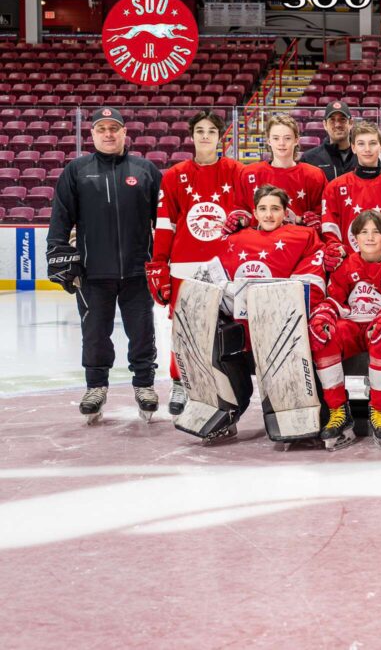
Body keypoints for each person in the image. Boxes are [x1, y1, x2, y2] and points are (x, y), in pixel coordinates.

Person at [46, 106, 162, 424]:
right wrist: (60, 258)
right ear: (92, 134)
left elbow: (163, 222)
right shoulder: (77, 171)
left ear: (125, 133)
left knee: (142, 332)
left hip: (138, 271)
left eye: (114, 128)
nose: (108, 134)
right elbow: (60, 219)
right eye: (102, 129)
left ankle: (144, 385)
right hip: (92, 273)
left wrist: (163, 262)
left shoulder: (146, 170)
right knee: (95, 333)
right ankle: (95, 386)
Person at [147, 110, 244, 418]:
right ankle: (180, 381)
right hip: (185, 266)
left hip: (225, 266)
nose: (205, 136)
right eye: (200, 130)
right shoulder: (174, 176)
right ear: (192, 136)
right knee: (183, 328)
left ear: (220, 137)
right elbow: (165, 225)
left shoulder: (237, 171)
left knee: (226, 328)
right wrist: (159, 264)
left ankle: (223, 384)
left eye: (211, 131)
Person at [214, 184, 326, 441]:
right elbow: (219, 279)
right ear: (254, 212)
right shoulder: (235, 239)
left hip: (284, 324)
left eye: (275, 209)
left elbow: (313, 282)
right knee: (216, 335)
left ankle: (296, 416)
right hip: (244, 325)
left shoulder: (303, 236)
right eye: (263, 209)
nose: (268, 215)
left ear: (285, 212)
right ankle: (227, 410)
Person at [308, 210, 381, 451]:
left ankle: (380, 410)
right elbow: (335, 300)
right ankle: (338, 411)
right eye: (364, 232)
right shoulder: (347, 264)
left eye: (376, 232)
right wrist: (324, 315)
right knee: (324, 336)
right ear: (355, 237)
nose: (370, 237)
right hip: (353, 323)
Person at [320, 121, 381, 271]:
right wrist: (335, 248)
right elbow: (330, 227)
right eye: (361, 144)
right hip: (348, 267)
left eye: (373, 143)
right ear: (353, 148)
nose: (367, 149)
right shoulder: (335, 187)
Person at [226, 114, 327, 235]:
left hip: (299, 245)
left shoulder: (314, 175)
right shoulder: (249, 173)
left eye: (287, 138)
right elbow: (240, 208)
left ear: (296, 140)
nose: (281, 143)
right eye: (276, 138)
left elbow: (324, 214)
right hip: (258, 246)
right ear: (268, 140)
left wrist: (316, 221)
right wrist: (239, 219)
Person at [300, 100, 356, 180]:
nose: (337, 125)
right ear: (325, 125)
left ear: (350, 123)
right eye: (332, 120)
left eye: (342, 119)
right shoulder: (309, 158)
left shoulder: (362, 155)